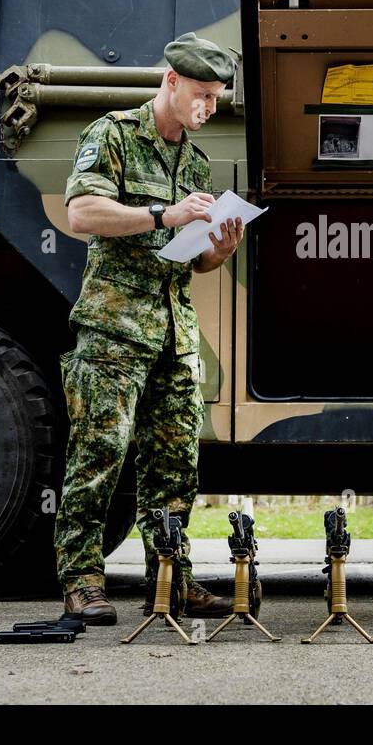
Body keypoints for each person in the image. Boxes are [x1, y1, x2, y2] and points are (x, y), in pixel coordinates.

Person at [54, 32, 243, 625]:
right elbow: (81, 213)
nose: (208, 107)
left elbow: (190, 260)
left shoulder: (195, 161)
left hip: (172, 334)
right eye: (201, 94)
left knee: (174, 464)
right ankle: (81, 579)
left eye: (216, 99)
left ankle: (172, 578)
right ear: (170, 82)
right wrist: (164, 213)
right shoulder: (112, 134)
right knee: (100, 453)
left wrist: (219, 248)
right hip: (114, 329)